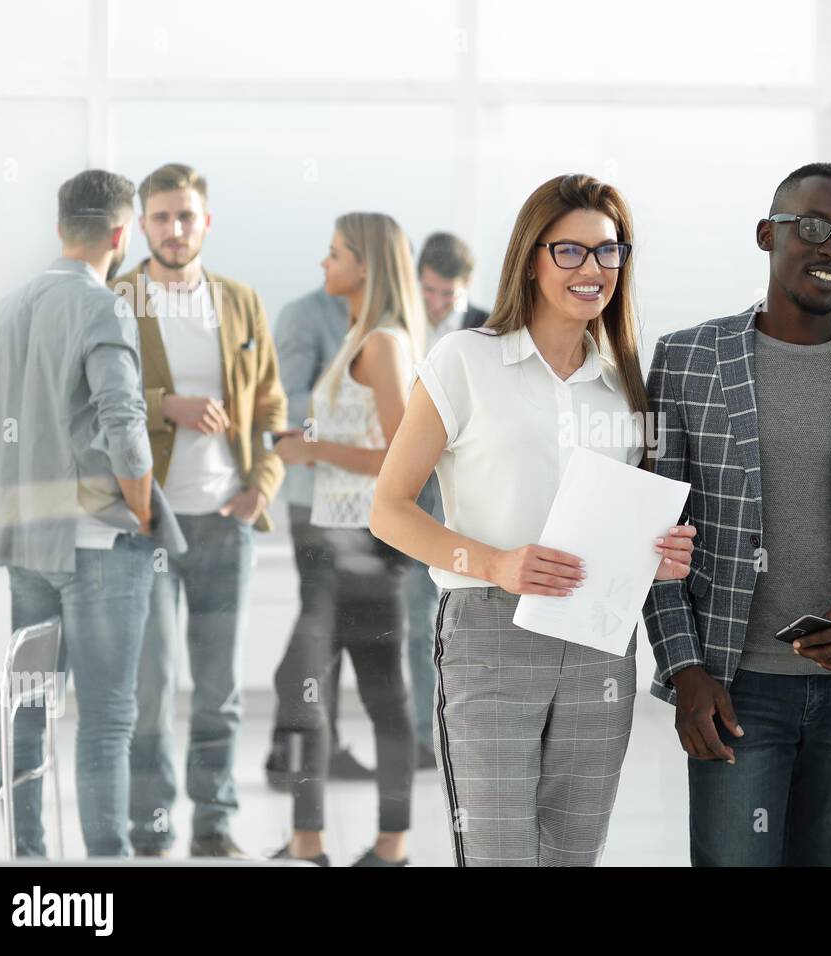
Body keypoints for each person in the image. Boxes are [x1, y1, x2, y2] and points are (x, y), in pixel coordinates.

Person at [370, 173, 695, 866]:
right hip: (489, 634)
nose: (593, 270)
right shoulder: (465, 360)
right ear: (532, 256)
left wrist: (657, 554)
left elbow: (620, 521)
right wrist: (494, 564)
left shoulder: (626, 384)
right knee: (497, 855)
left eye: (608, 252)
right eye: (570, 252)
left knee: (574, 855)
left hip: (600, 644)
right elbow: (389, 510)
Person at [642, 162, 831, 867]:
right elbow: (653, 535)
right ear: (766, 234)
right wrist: (684, 670)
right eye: (810, 227)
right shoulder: (685, 360)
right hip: (733, 689)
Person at [0, 170, 185, 856]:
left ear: (61, 227)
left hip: (26, 541)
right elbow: (124, 421)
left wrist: (14, 473)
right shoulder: (102, 306)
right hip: (98, 547)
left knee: (30, 710)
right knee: (107, 719)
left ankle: (29, 857)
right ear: (122, 235)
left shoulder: (2, 309)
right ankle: (107, 866)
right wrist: (144, 508)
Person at [114, 163, 287, 859]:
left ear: (205, 221)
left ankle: (213, 827)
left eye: (186, 216)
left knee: (218, 692)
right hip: (144, 521)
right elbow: (92, 400)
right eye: (161, 217)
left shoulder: (239, 302)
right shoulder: (118, 297)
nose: (175, 230)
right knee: (151, 690)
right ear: (142, 224)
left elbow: (273, 406)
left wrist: (261, 488)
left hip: (226, 521)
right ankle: (150, 829)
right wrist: (168, 405)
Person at [272, 212, 425, 866]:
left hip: (364, 549)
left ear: (365, 264)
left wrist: (313, 449)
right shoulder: (362, 335)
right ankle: (312, 839)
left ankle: (388, 844)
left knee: (375, 696)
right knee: (309, 688)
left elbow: (401, 456)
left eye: (335, 253)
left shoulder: (384, 343)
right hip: (336, 545)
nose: (323, 263)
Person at [264, 285, 376, 788]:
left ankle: (313, 749)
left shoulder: (376, 318)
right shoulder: (304, 315)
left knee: (334, 624)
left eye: (337, 255)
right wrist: (363, 407)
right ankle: (291, 749)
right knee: (321, 620)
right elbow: (287, 407)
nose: (326, 266)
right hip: (315, 498)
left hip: (360, 501)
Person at [405, 231, 491, 768]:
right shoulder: (396, 325)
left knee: (465, 612)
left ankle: (462, 729)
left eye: (449, 297)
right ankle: (421, 735)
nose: (438, 305)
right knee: (418, 621)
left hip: (466, 490)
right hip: (411, 490)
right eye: (431, 293)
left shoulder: (487, 329)